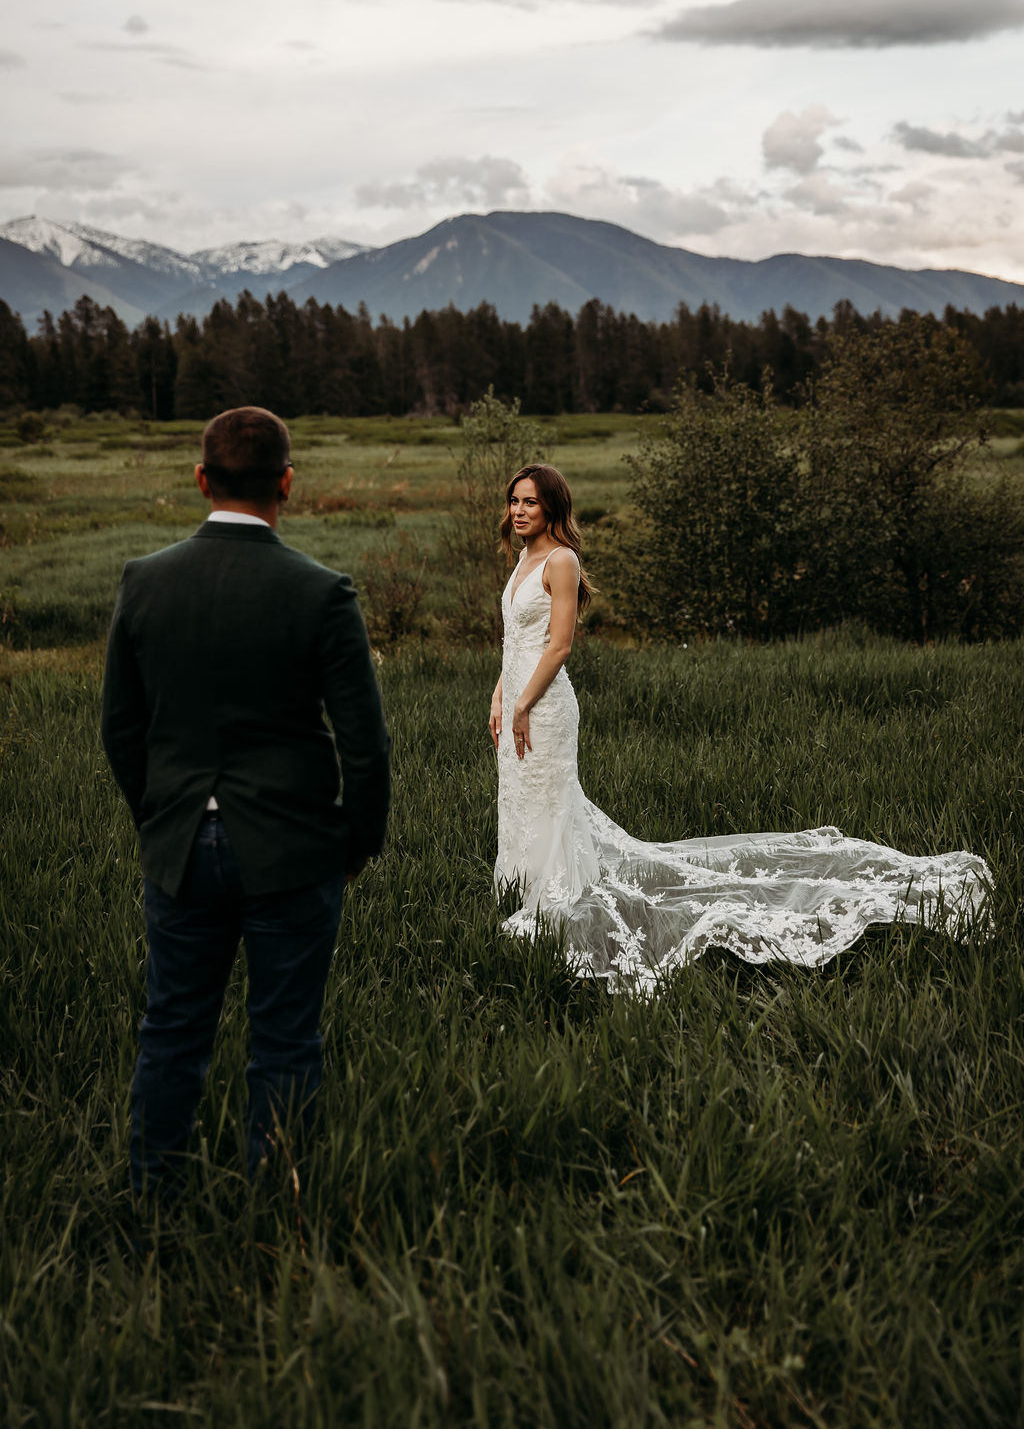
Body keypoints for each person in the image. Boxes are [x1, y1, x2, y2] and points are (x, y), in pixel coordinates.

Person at [489, 464, 990, 990]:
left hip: (545, 706)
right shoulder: (523, 558)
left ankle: (556, 897)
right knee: (521, 793)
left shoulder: (561, 560)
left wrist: (523, 704)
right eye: (514, 501)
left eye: (530, 502)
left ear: (552, 507)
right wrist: (501, 694)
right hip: (519, 697)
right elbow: (514, 641)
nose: (519, 511)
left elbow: (559, 645)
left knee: (551, 796)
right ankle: (523, 883)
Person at [101, 406, 390, 1201]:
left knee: (172, 1029)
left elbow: (120, 730)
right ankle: (278, 1207)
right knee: (286, 1038)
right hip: (292, 849)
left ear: (202, 480)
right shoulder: (321, 592)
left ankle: (153, 1200)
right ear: (286, 483)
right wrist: (356, 845)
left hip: (180, 847)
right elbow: (366, 746)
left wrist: (161, 821)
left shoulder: (144, 581)